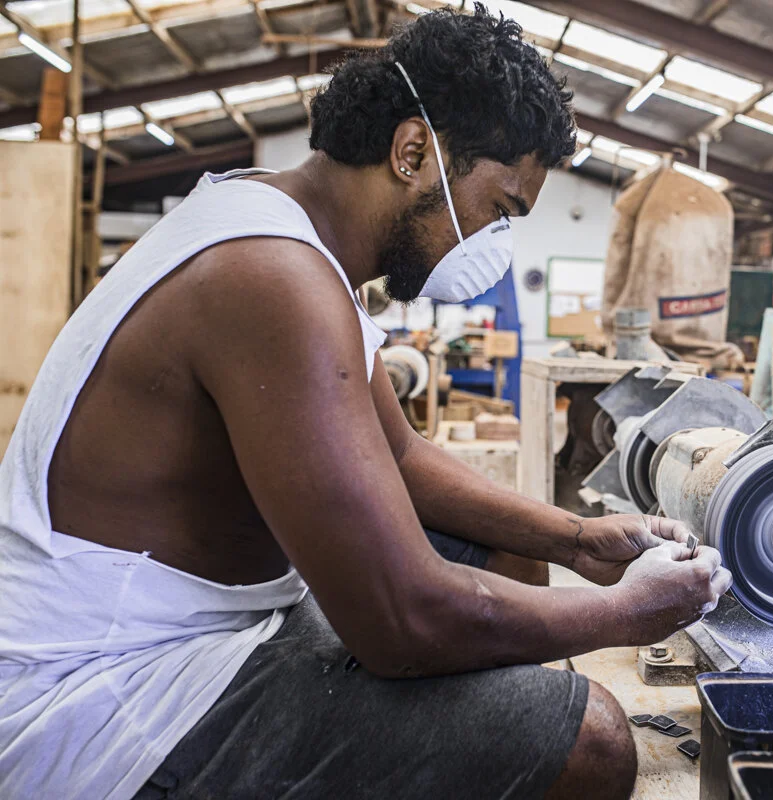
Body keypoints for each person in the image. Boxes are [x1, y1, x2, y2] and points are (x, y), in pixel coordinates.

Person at [0, 6, 732, 799]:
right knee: (589, 742)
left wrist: (579, 539)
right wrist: (627, 613)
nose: (495, 240)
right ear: (413, 151)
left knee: (510, 559)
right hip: (106, 705)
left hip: (210, 633)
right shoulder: (270, 278)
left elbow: (403, 456)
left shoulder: (289, 231)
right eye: (500, 208)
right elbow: (401, 625)